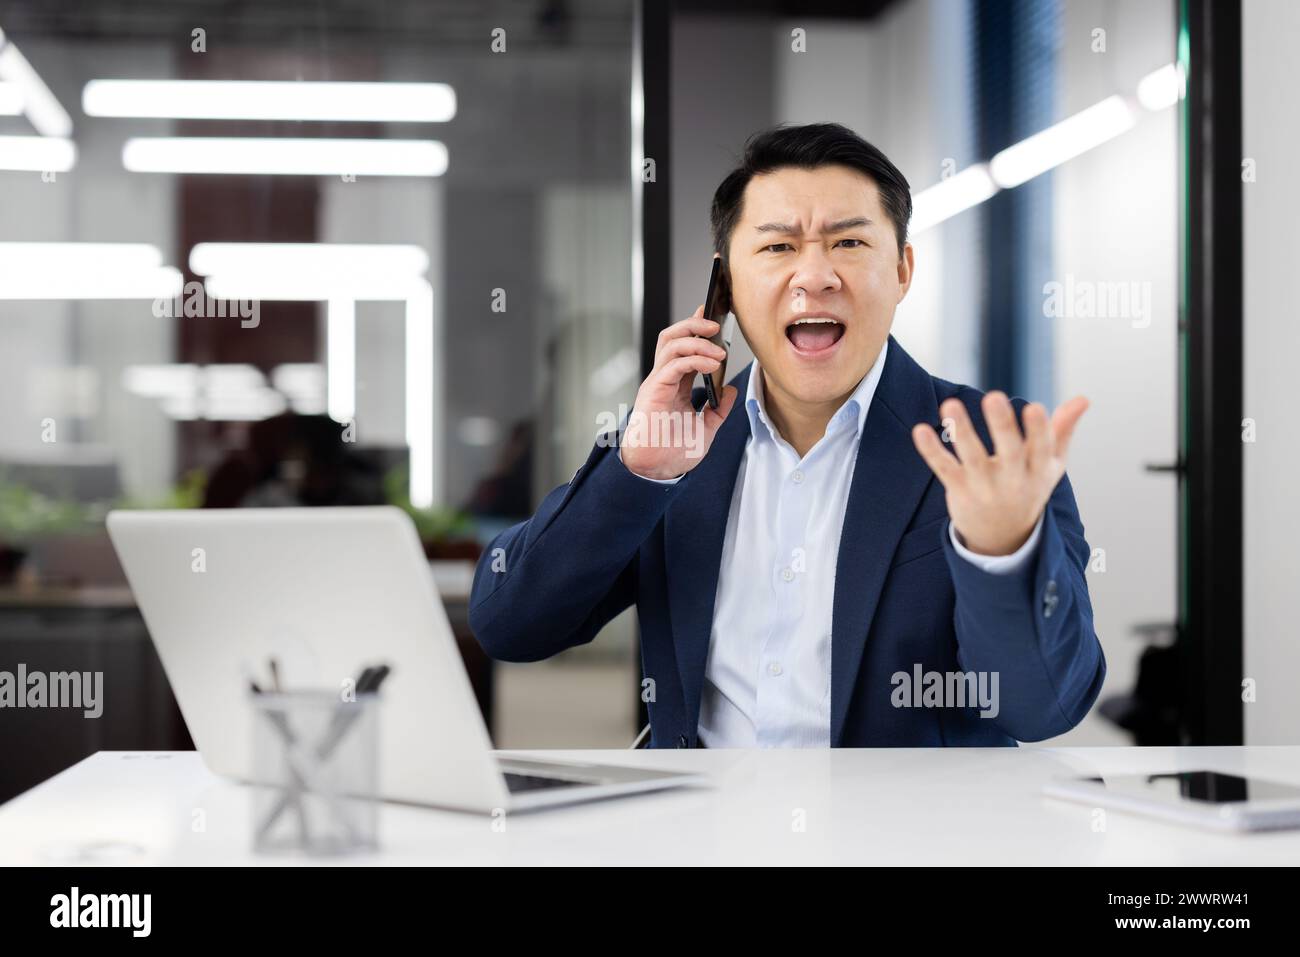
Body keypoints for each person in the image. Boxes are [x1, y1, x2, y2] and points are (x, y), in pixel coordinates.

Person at [470, 122, 1104, 748]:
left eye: (849, 244)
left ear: (903, 269)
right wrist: (637, 472)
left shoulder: (990, 448)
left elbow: (1042, 708)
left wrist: (1002, 553)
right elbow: (511, 627)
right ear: (726, 287)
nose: (815, 275)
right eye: (777, 248)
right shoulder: (676, 452)